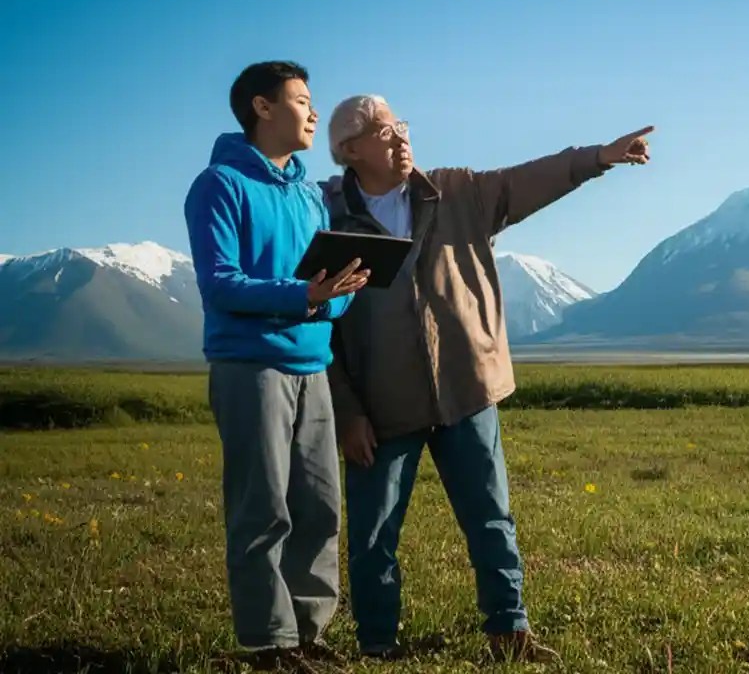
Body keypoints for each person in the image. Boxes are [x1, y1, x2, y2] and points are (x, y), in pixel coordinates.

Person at [321, 93, 652, 662]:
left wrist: (597, 157)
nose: (400, 136)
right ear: (349, 152)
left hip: (467, 388)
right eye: (383, 131)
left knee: (491, 517)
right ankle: (377, 645)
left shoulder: (454, 192)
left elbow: (529, 180)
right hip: (381, 406)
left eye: (401, 124)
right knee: (373, 534)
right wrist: (348, 409)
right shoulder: (325, 213)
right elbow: (321, 328)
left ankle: (509, 631)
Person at [183, 61, 370, 667]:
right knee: (262, 508)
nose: (315, 113)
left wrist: (340, 289)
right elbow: (221, 285)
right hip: (250, 368)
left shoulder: (311, 195)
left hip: (312, 364)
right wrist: (307, 296)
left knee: (319, 508)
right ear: (262, 108)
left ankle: (308, 635)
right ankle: (268, 641)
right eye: (302, 100)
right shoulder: (218, 186)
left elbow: (326, 296)